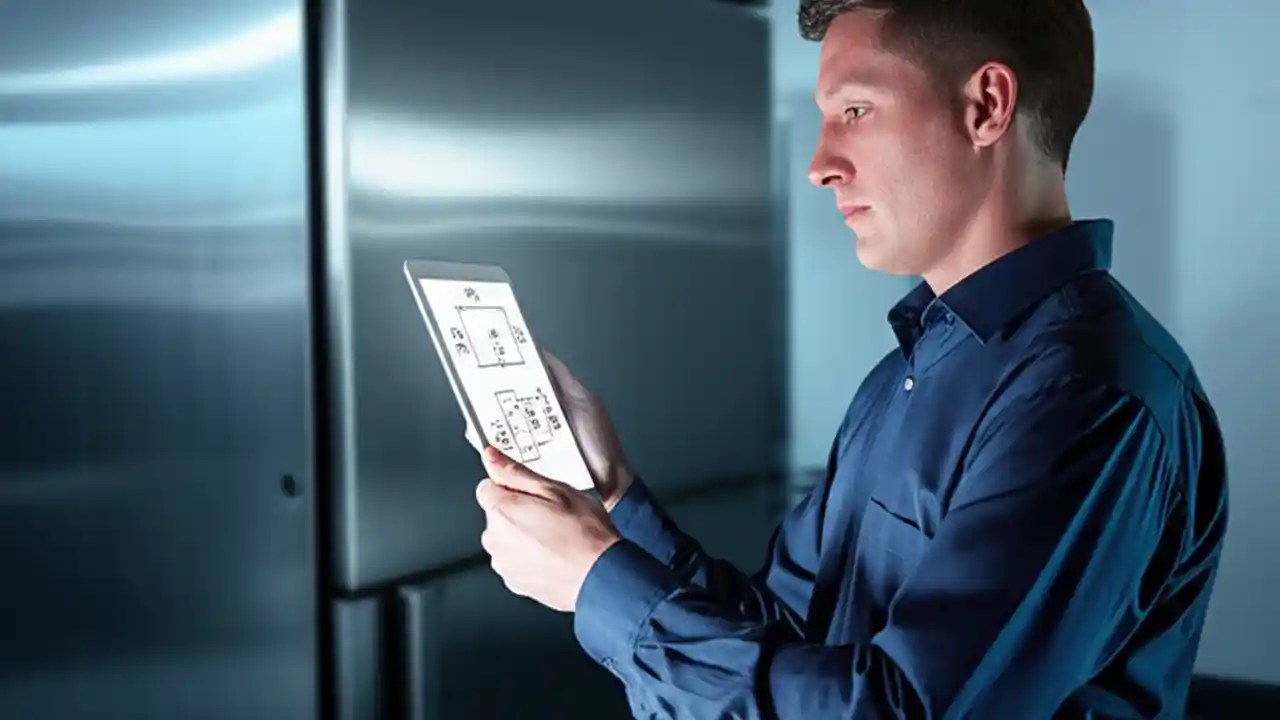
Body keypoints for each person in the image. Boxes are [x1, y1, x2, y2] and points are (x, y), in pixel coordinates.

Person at [473, 1, 1229, 717]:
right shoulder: (909, 371)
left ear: (988, 105)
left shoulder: (1087, 394)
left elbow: (902, 709)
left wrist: (599, 583)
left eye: (855, 112)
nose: (821, 163)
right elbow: (788, 635)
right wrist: (612, 498)